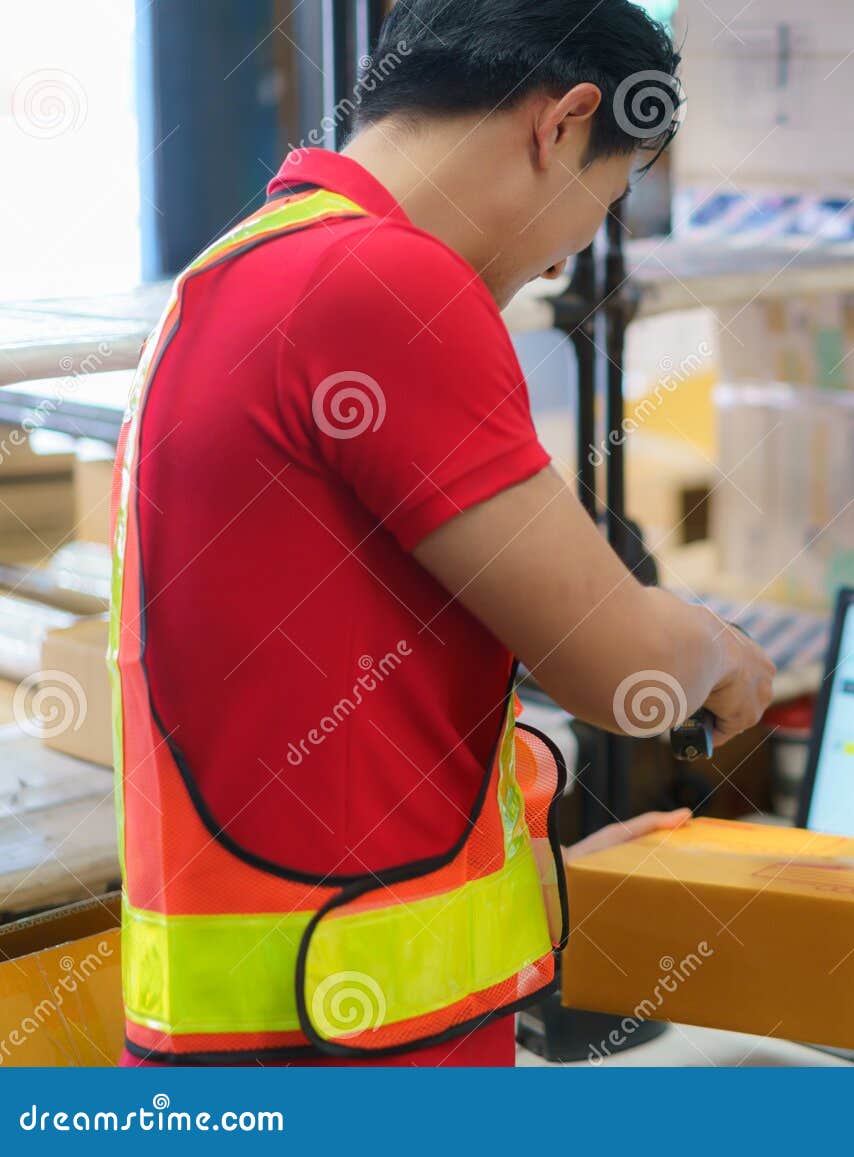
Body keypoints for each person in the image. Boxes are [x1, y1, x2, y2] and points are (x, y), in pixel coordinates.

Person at [115, 0, 773, 1067]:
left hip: (279, 1034)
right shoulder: (386, 284)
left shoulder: (242, 269)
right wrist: (718, 649)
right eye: (601, 204)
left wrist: (542, 883)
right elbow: (625, 670)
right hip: (349, 1058)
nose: (561, 266)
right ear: (562, 124)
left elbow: (314, 719)